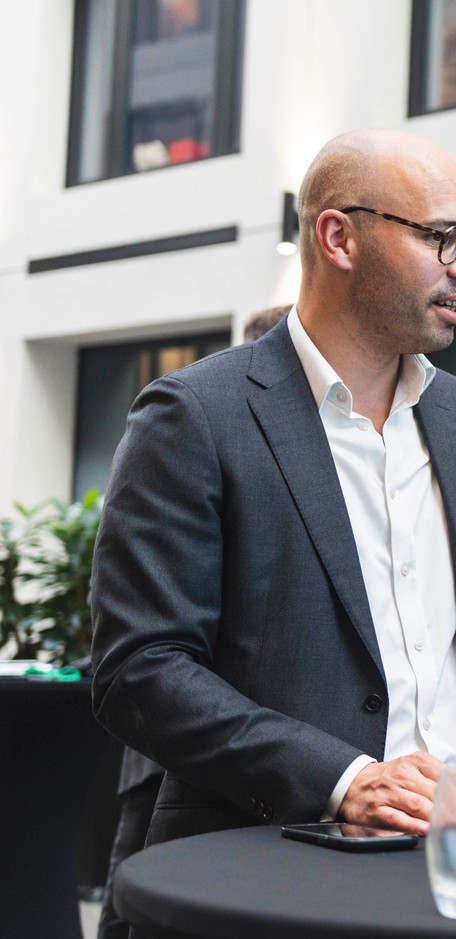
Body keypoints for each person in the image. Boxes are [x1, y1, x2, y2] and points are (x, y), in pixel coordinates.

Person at [91, 130, 456, 860]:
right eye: (443, 237)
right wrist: (344, 779)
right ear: (339, 237)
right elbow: (142, 670)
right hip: (266, 867)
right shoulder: (195, 415)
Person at [95, 300, 307, 939]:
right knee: (139, 877)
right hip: (182, 738)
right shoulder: (186, 421)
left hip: (246, 750)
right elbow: (142, 639)